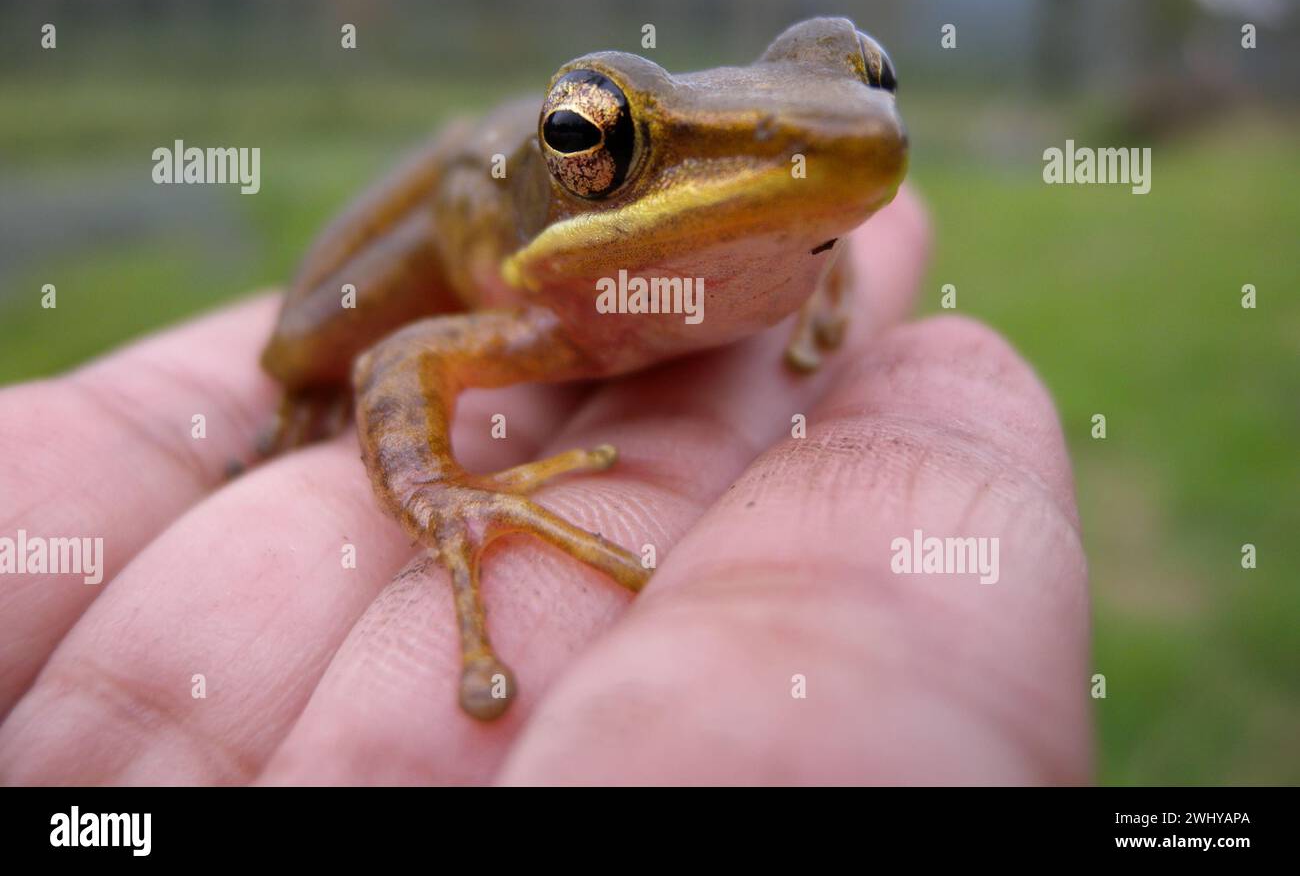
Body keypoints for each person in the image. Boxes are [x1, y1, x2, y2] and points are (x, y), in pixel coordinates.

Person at [0, 188, 1090, 785]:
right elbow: (399, 358)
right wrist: (437, 486)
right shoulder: (530, 304)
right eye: (591, 137)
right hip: (472, 195)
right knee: (305, 347)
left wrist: (814, 252)